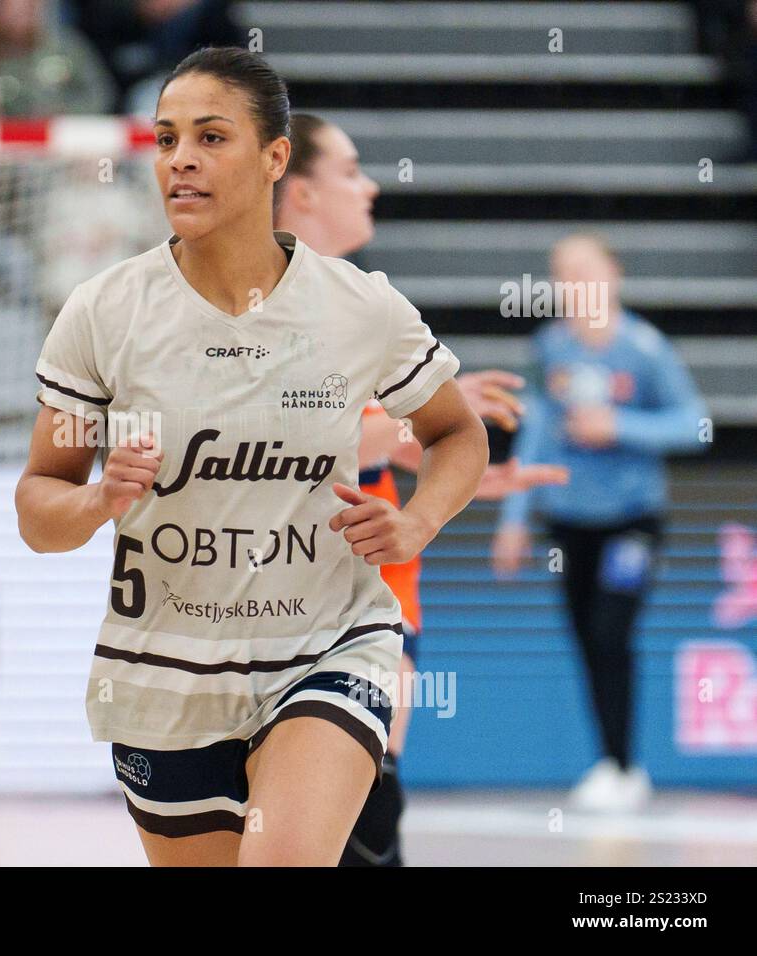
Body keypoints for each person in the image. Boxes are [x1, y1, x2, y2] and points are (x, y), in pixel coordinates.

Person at [15, 46, 488, 866]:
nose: (182, 159)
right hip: (164, 672)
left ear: (275, 157)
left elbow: (458, 432)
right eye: (166, 140)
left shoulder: (359, 306)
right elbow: (38, 510)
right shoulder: (103, 313)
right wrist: (97, 501)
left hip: (330, 645)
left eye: (210, 136)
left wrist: (417, 522)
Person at [274, 112, 569, 864]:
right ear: (299, 191)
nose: (369, 185)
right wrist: (433, 423)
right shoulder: (263, 302)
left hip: (379, 589)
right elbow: (297, 432)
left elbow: (364, 431)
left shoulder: (362, 299)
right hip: (285, 597)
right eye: (349, 171)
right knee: (338, 815)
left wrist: (448, 453)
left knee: (372, 805)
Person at [492, 233, 708, 812]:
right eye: (562, 273)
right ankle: (613, 764)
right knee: (587, 639)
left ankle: (623, 765)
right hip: (568, 522)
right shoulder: (550, 348)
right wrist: (514, 516)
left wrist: (620, 426)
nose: (573, 284)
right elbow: (534, 429)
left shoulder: (644, 348)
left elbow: (694, 423)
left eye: (584, 270)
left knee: (614, 631)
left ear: (612, 275)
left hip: (633, 521)